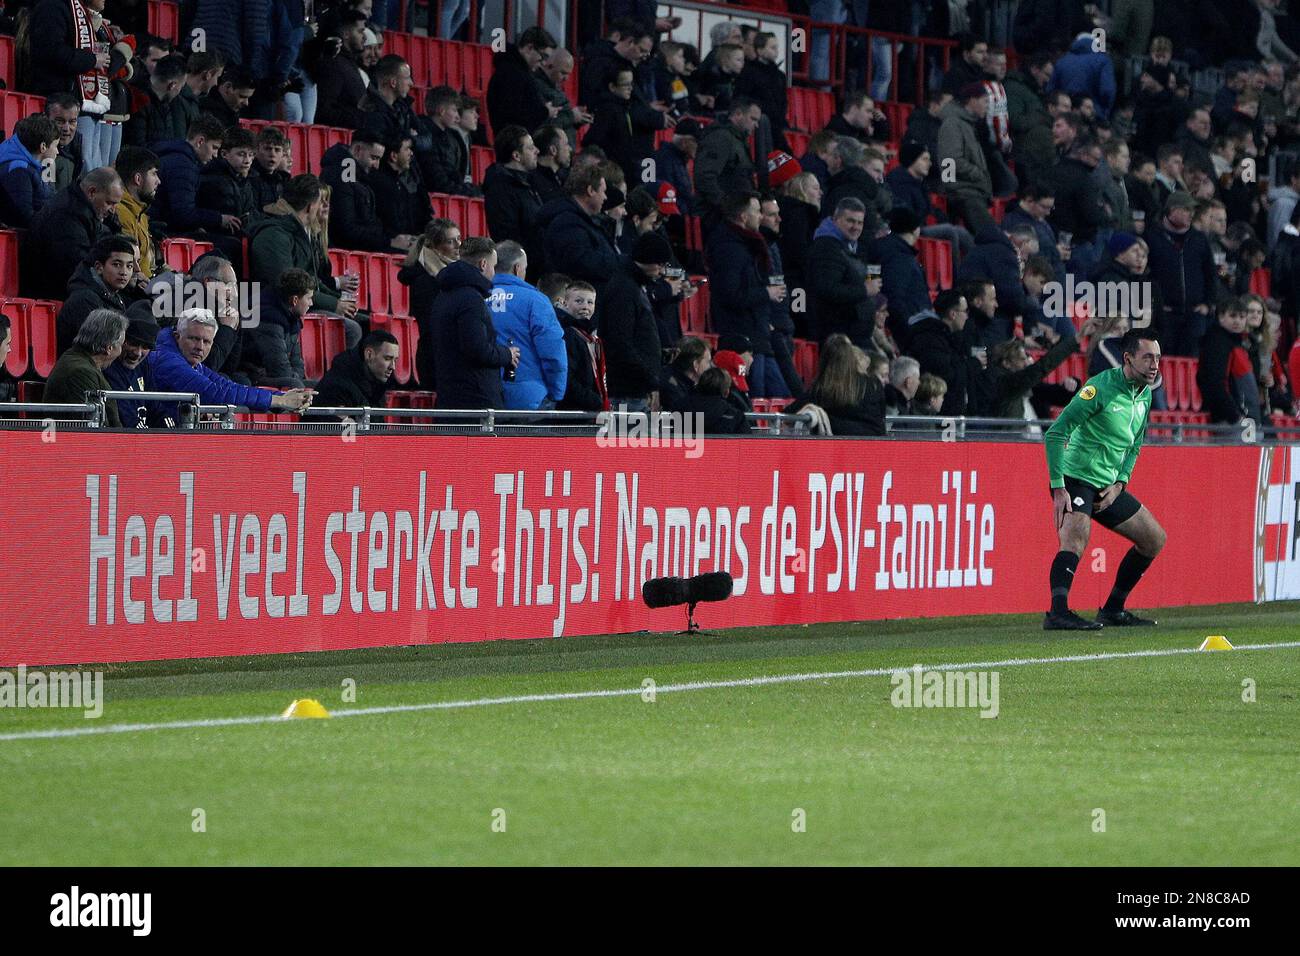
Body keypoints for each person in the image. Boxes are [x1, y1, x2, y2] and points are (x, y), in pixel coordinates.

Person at [1043, 328, 1165, 630]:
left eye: (1158, 358)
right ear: (1127, 358)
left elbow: (1135, 444)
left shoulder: (1145, 395)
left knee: (1153, 540)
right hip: (1075, 479)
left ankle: (1112, 609)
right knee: (1075, 539)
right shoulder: (1099, 388)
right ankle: (1057, 614)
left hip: (1107, 486)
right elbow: (1056, 433)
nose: (1155, 365)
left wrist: (1120, 483)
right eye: (1147, 357)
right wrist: (1058, 487)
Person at [148, 308, 314, 423]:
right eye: (193, 339)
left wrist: (280, 396)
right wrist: (278, 400)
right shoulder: (167, 359)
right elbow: (214, 393)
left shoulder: (190, 361)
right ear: (177, 336)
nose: (200, 347)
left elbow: (227, 385)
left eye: (206, 342)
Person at [430, 237, 519, 409]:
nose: (494, 273)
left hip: (450, 394)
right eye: (493, 267)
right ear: (483, 264)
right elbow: (477, 349)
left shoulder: (443, 295)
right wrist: (507, 354)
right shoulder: (471, 299)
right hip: (475, 399)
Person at [488, 241, 567, 410]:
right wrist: (556, 393)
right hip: (529, 398)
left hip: (485, 395)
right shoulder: (536, 300)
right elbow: (553, 352)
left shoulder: (476, 296)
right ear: (517, 268)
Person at [23, 166, 123, 301]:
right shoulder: (65, 215)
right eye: (110, 203)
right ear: (92, 192)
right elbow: (77, 267)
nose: (113, 210)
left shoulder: (86, 209)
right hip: (54, 295)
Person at [600, 232, 671, 413]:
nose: (662, 271)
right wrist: (650, 378)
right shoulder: (624, 290)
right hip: (628, 391)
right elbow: (621, 342)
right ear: (646, 259)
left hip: (635, 388)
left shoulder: (633, 285)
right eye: (660, 264)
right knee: (630, 440)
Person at [788, 333, 885, 436]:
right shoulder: (874, 383)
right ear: (851, 358)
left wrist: (810, 409)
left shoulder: (822, 389)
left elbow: (787, 416)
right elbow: (881, 414)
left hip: (842, 447)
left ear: (825, 361)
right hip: (877, 445)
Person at [400, 218, 460, 386]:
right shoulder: (425, 281)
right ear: (435, 246)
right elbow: (431, 324)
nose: (458, 245)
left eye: (458, 239)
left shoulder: (453, 275)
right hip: (435, 357)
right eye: (450, 241)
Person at [43, 308, 127, 426]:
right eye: (121, 345)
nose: (121, 351)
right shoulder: (80, 372)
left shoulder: (78, 359)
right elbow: (95, 426)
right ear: (109, 348)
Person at [56, 234, 135, 354]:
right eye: (117, 265)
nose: (124, 272)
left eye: (129, 266)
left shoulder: (115, 297)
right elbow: (97, 351)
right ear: (99, 267)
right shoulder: (84, 300)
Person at [692, 97, 760, 226]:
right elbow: (704, 177)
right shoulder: (720, 138)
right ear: (738, 114)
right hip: (718, 219)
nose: (756, 125)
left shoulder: (736, 140)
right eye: (753, 119)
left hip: (731, 217)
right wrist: (727, 204)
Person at [246, 268, 316, 389]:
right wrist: (295, 378)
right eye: (309, 298)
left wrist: (296, 376)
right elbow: (278, 368)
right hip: (253, 375)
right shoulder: (268, 319)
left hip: (274, 375)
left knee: (323, 387)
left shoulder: (292, 318)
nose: (311, 303)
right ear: (295, 300)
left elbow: (297, 361)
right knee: (296, 385)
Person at [1197, 297, 1263, 424]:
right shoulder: (1217, 343)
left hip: (1242, 418)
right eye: (1233, 316)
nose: (1237, 321)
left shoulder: (1239, 343)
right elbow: (1214, 382)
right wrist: (1235, 416)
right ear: (1221, 316)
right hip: (1230, 420)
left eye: (1242, 317)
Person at [482, 126, 543, 261]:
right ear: (516, 156)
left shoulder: (528, 183)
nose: (537, 151)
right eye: (531, 147)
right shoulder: (500, 188)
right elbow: (507, 235)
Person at [486, 26, 559, 137]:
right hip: (514, 144)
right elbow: (513, 115)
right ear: (529, 48)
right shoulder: (512, 74)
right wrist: (544, 112)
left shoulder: (516, 71)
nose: (544, 63)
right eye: (543, 56)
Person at [555, 279, 608, 411]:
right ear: (565, 303)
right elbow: (568, 379)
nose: (585, 306)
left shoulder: (591, 336)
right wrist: (595, 401)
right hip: (572, 409)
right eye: (579, 301)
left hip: (587, 406)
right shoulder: (567, 334)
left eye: (590, 302)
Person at [314, 330, 399, 409]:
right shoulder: (337, 386)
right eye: (387, 358)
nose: (393, 367)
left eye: (395, 360)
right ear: (369, 354)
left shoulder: (378, 386)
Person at [0, 115, 59, 228]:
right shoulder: (18, 171)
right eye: (55, 146)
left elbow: (50, 197)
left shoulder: (41, 165)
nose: (57, 152)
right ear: (43, 147)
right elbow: (24, 217)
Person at [112, 146, 161, 278]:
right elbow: (131, 268)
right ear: (138, 179)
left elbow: (151, 264)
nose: (159, 181)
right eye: (154, 173)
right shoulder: (121, 214)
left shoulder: (141, 213)